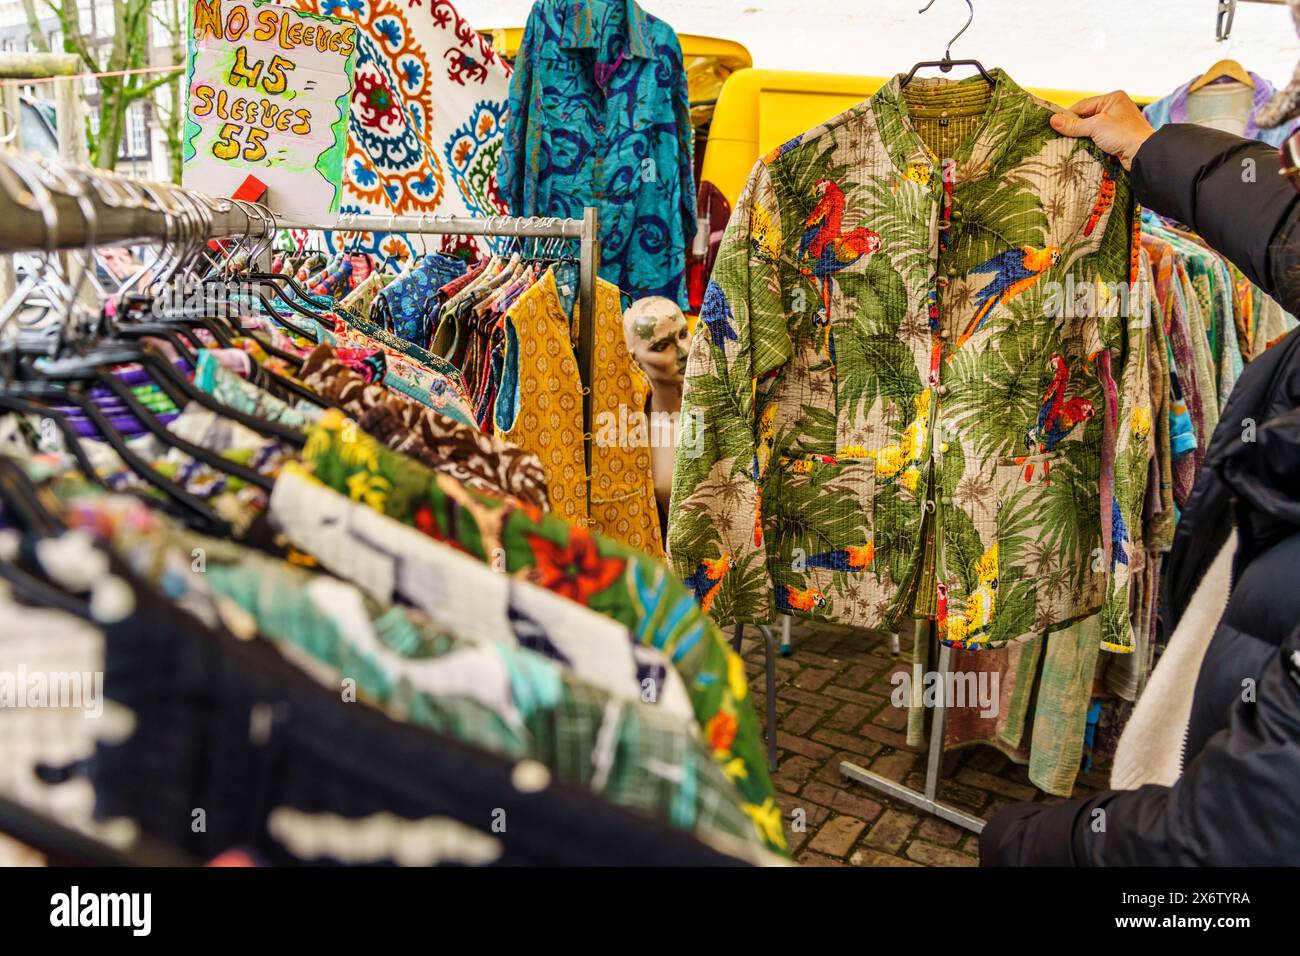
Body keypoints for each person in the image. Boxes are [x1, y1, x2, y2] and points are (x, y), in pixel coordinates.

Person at [980, 28, 1300, 864]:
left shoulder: (1168, 277)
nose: (1291, 155)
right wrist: (1157, 147)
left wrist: (1026, 845)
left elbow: (1233, 840)